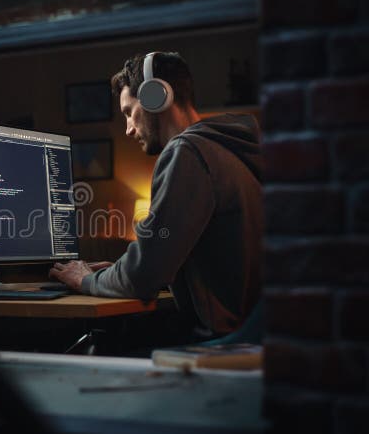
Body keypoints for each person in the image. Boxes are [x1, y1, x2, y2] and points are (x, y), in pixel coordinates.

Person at [50, 51, 262, 343]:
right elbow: (167, 259)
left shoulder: (187, 153)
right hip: (250, 336)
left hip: (219, 345)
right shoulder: (228, 150)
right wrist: (121, 270)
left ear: (154, 97)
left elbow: (143, 277)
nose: (127, 129)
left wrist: (85, 280)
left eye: (128, 112)